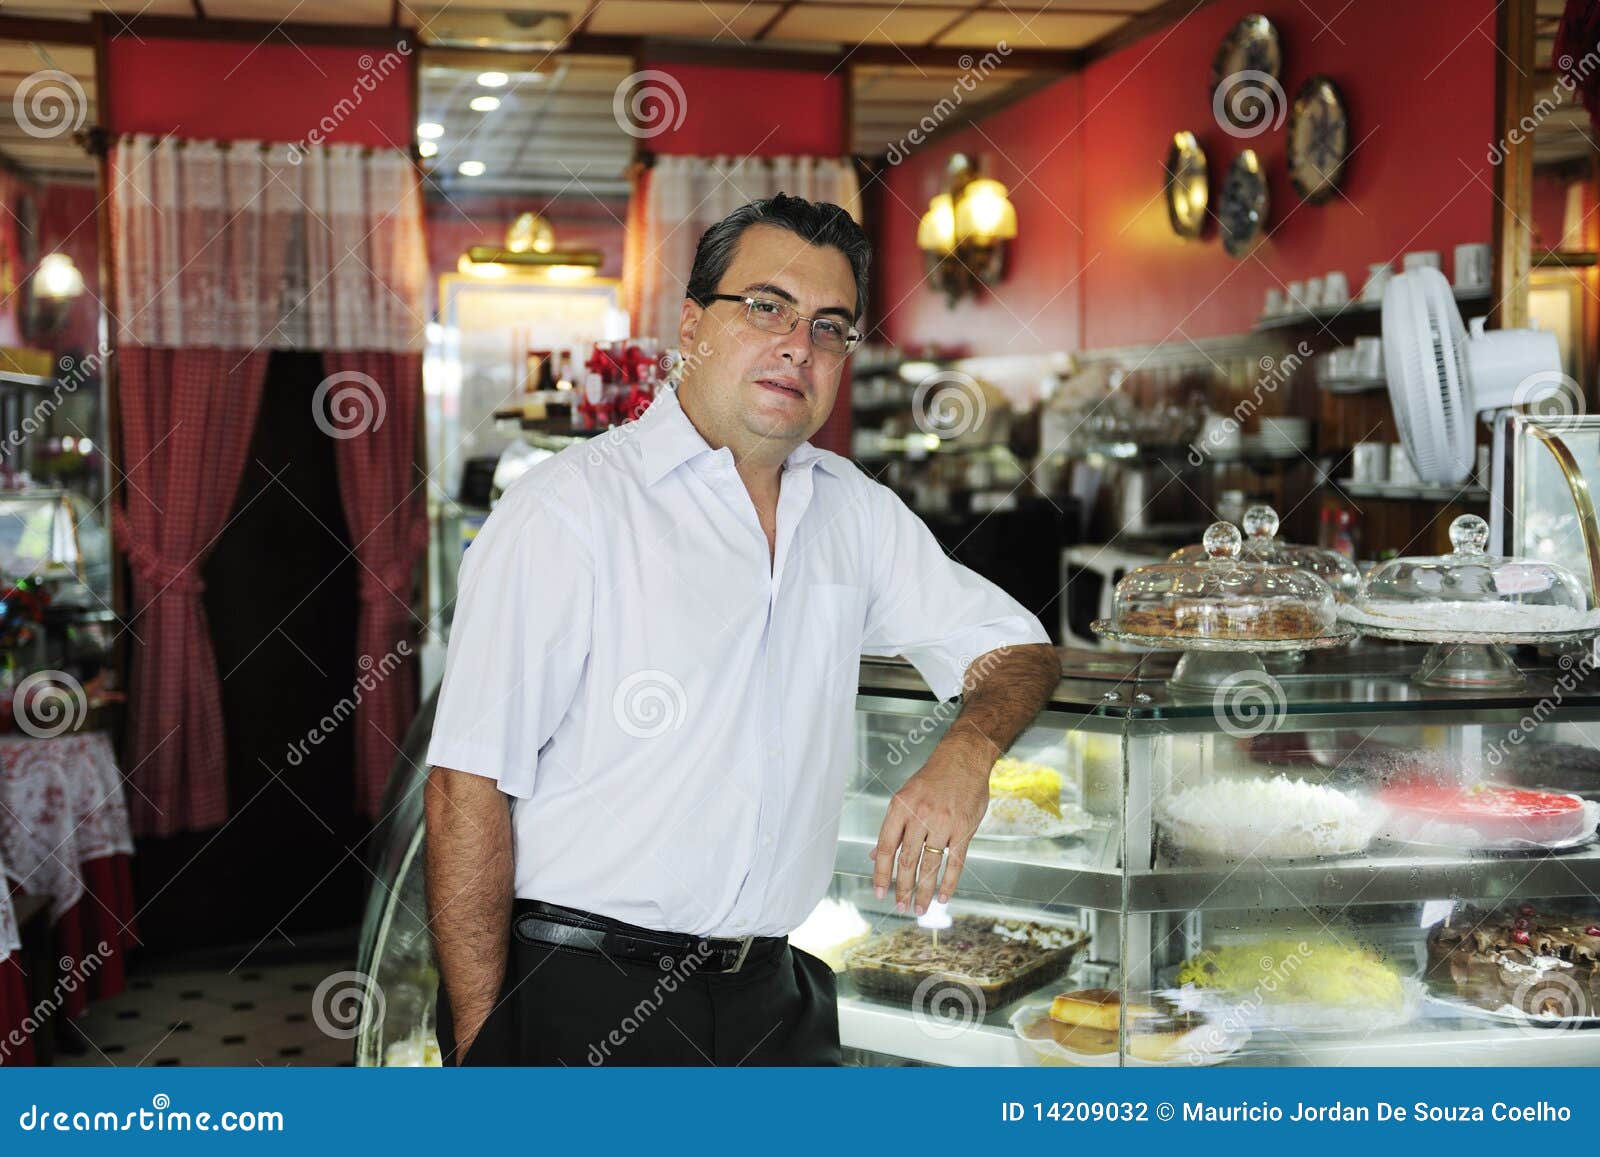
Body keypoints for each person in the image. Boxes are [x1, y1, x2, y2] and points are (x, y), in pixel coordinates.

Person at [424, 193, 1059, 1066]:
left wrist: (966, 751)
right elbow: (467, 788)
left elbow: (1018, 646)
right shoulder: (568, 510)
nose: (799, 343)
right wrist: (482, 1047)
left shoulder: (854, 513)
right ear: (693, 325)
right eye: (767, 307)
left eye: (830, 326)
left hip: (775, 1001)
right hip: (584, 994)